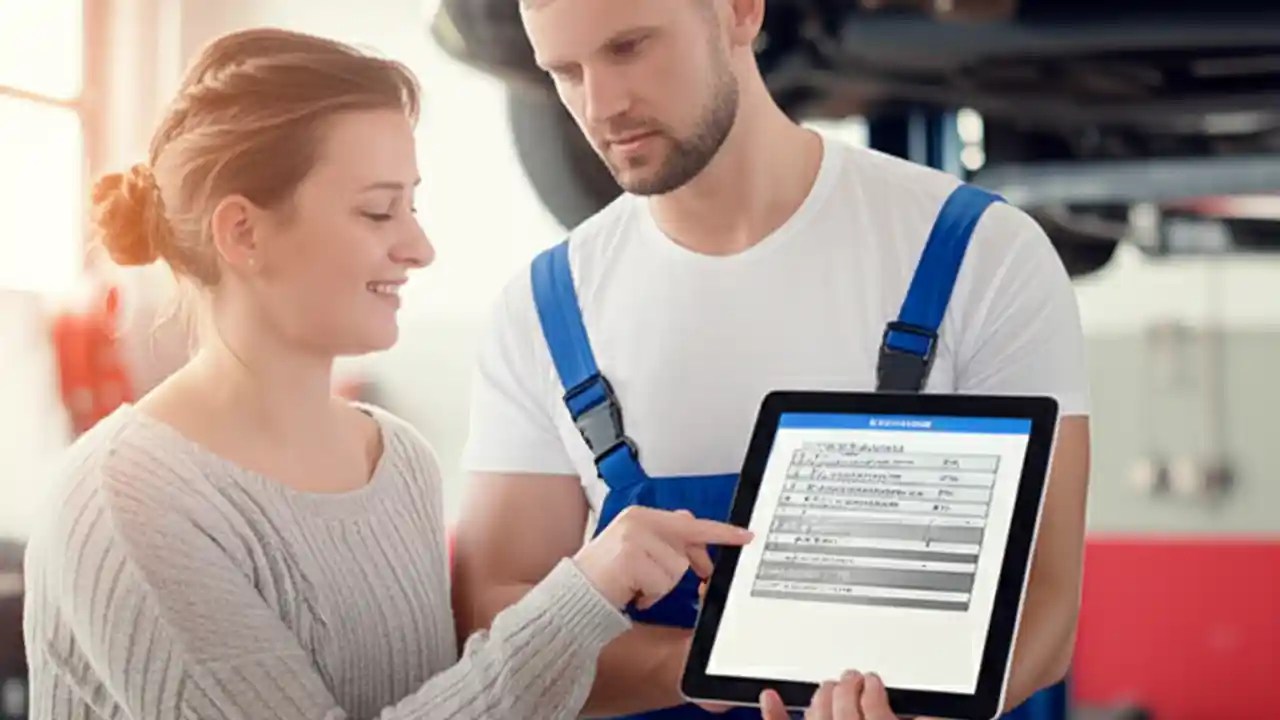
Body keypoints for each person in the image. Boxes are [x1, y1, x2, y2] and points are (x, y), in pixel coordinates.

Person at [20, 26, 889, 720]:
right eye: (376, 210)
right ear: (242, 233)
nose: (420, 246)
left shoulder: (394, 460)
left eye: (413, 202)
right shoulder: (125, 503)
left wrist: (706, 667)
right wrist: (581, 596)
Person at [450, 0, 1094, 719]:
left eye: (629, 48)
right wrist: (728, 668)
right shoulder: (542, 311)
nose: (602, 106)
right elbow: (494, 623)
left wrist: (906, 705)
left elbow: (1043, 612)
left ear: (740, 12)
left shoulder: (980, 254)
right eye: (565, 72)